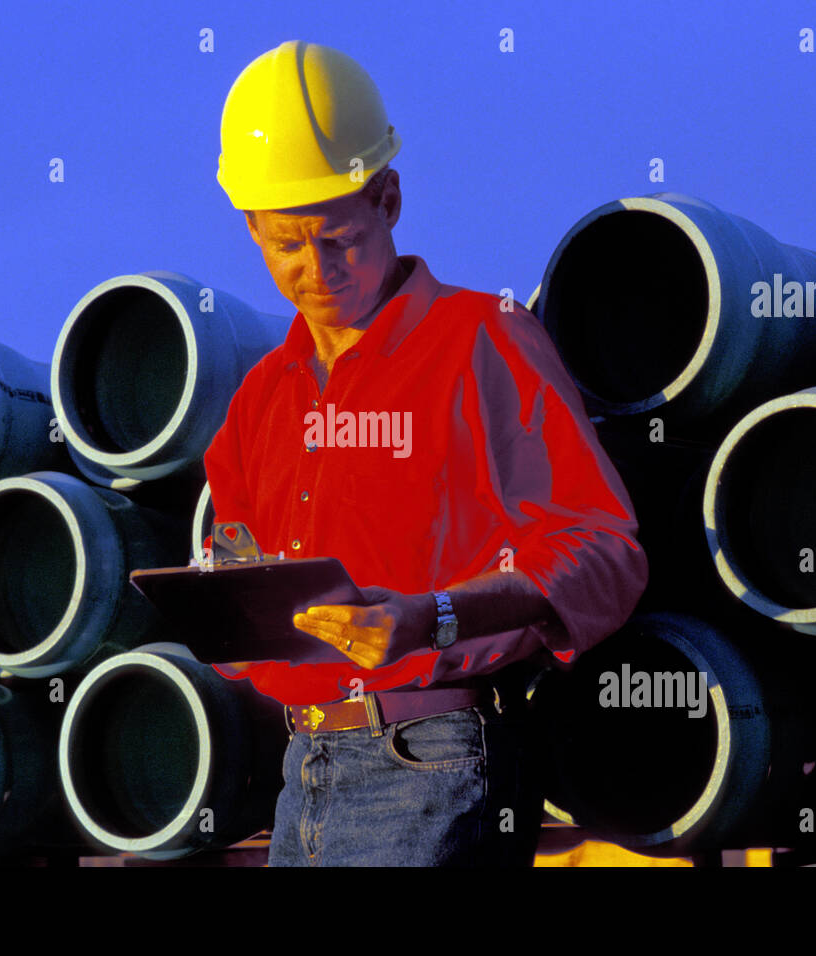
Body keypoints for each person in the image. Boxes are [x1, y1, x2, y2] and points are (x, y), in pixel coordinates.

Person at [203, 39, 648, 866]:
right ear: (252, 229)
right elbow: (237, 592)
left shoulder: (483, 342)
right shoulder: (260, 401)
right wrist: (229, 604)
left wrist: (430, 617)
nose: (317, 271)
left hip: (434, 762)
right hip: (303, 772)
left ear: (389, 198)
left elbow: (602, 552)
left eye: (338, 238)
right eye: (287, 247)